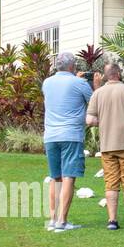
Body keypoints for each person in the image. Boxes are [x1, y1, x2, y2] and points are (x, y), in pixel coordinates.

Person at [86, 62, 124, 230]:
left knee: (111, 182)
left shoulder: (98, 93)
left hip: (107, 144)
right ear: (118, 74)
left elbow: (89, 120)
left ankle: (112, 220)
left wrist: (104, 121)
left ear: (105, 76)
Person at [42, 52, 95, 232]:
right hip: (71, 135)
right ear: (72, 66)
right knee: (68, 177)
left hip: (51, 136)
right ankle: (62, 222)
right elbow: (94, 103)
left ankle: (52, 219)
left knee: (55, 177)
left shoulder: (47, 83)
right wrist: (93, 84)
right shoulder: (79, 83)